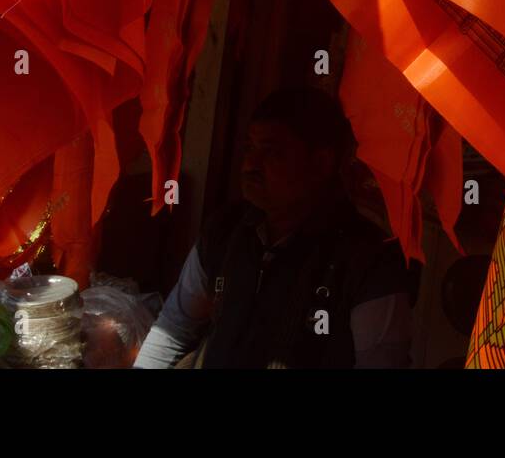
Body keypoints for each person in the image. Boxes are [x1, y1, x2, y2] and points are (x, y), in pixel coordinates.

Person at [135, 87, 413, 368]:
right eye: (249, 149)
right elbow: (174, 327)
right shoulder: (227, 230)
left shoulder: (368, 260)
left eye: (272, 153)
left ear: (320, 163)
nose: (250, 165)